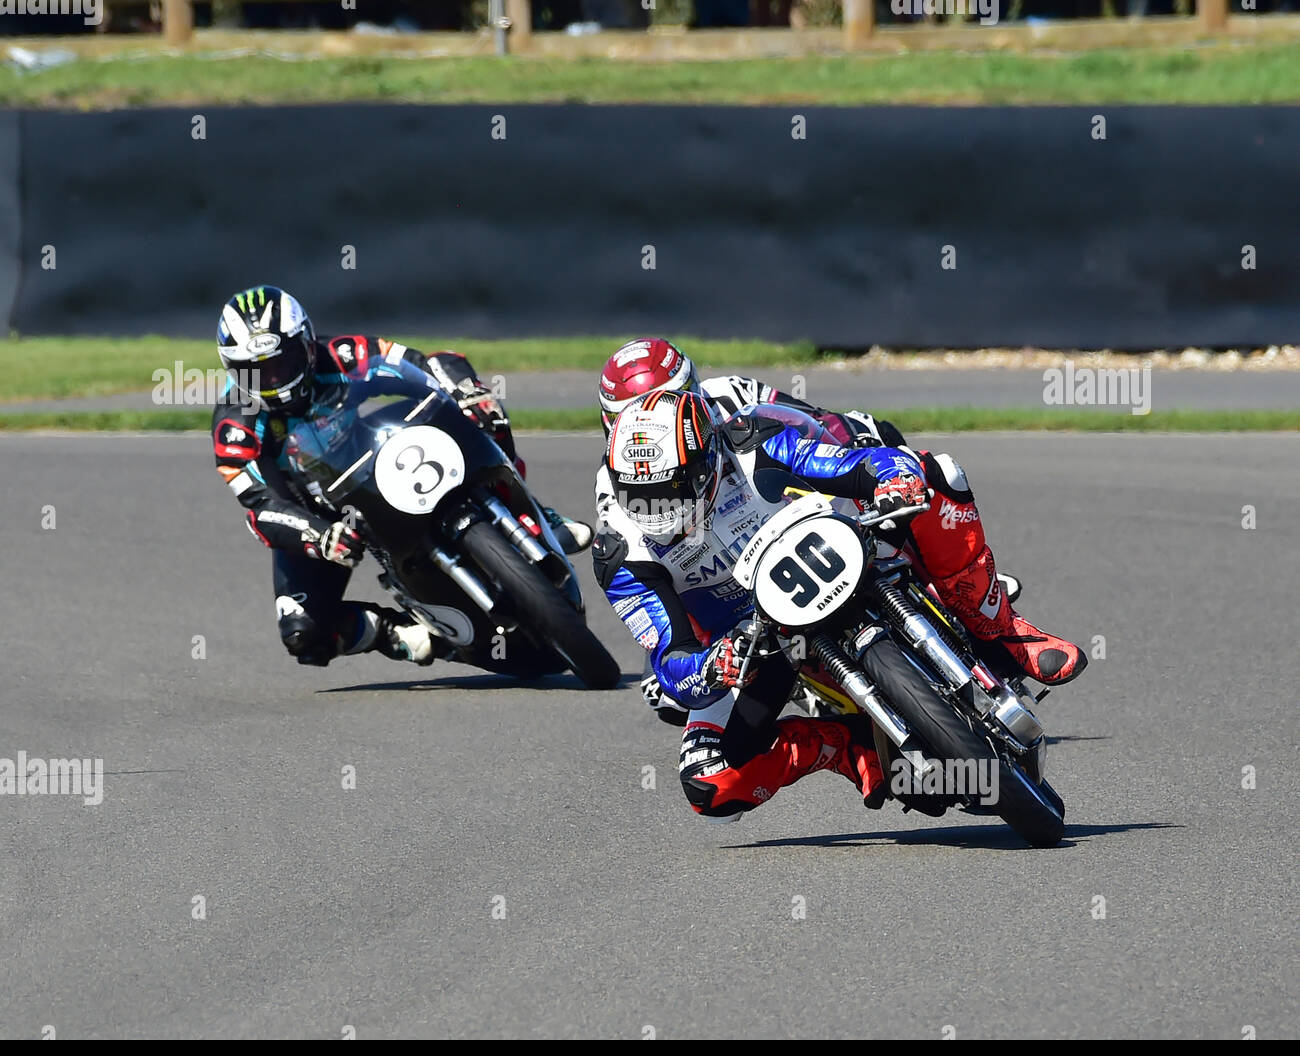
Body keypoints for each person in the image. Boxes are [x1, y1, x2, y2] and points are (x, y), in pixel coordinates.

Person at [593, 389, 1085, 824]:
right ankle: (841, 750)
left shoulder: (752, 438)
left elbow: (846, 463)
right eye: (639, 497)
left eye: (671, 490)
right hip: (752, 641)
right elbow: (670, 662)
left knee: (939, 476)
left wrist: (893, 477)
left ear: (706, 460)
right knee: (709, 785)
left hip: (840, 549)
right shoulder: (620, 553)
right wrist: (712, 665)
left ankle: (1003, 628)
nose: (658, 508)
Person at [211, 284, 592, 669]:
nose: (273, 380)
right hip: (316, 515)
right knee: (303, 633)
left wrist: (467, 393)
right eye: (255, 372)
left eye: (281, 363)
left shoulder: (344, 355)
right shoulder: (234, 427)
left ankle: (539, 513)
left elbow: (424, 363)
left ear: (307, 344)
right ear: (233, 370)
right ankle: (399, 634)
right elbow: (261, 506)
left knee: (483, 415)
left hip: (375, 457)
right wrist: (317, 535)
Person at [596, 337, 906, 723]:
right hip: (721, 597)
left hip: (789, 518)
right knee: (667, 697)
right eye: (634, 412)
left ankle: (954, 591)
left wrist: (868, 462)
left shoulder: (732, 399)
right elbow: (643, 573)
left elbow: (819, 424)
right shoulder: (616, 490)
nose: (652, 418)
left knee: (886, 445)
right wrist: (698, 664)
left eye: (670, 400)